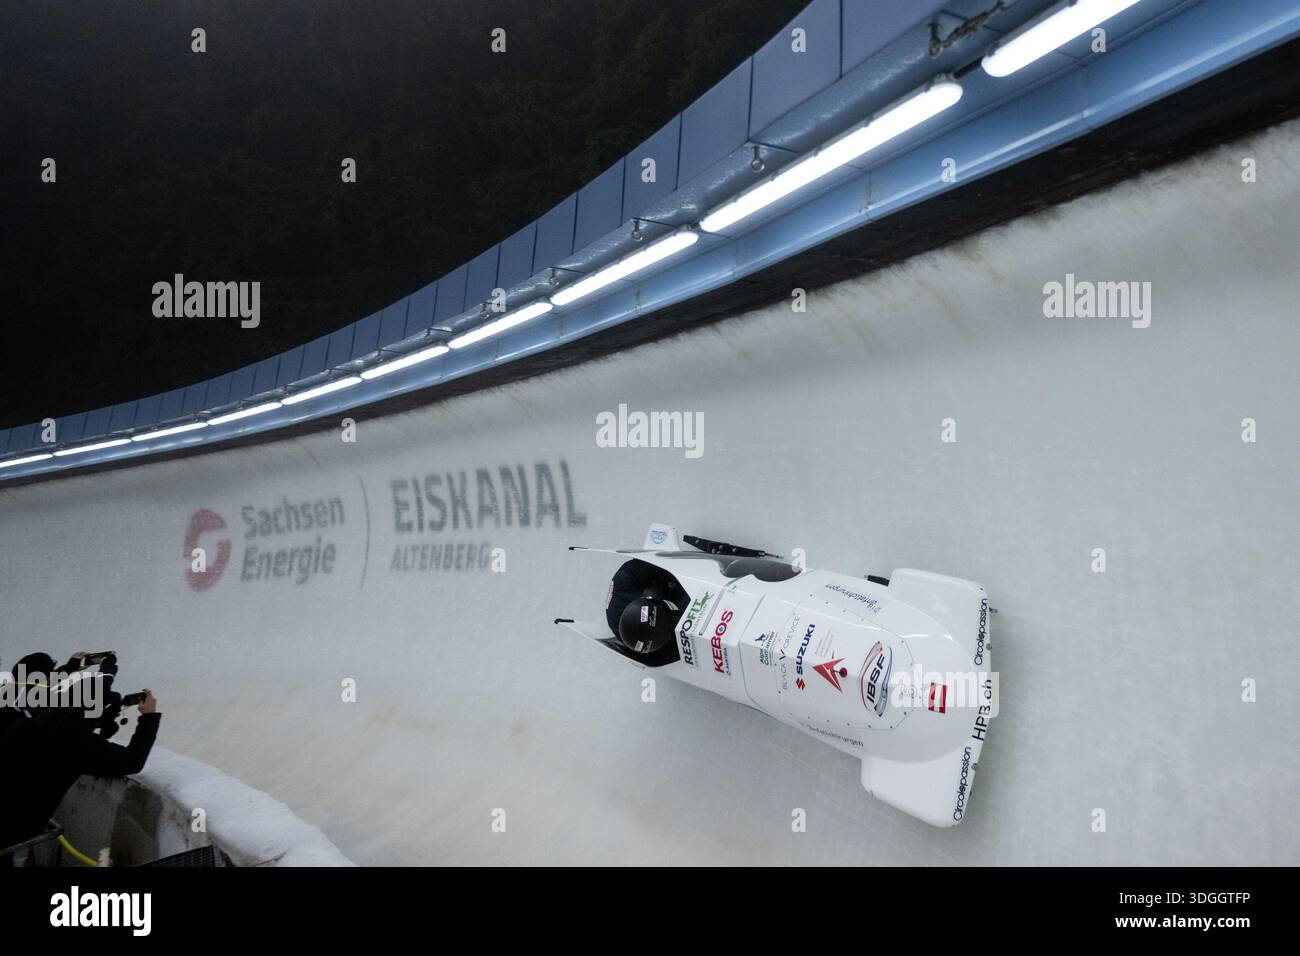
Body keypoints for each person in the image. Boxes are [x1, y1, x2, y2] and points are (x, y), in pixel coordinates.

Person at [0, 652, 161, 852]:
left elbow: (38, 690)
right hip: (15, 833)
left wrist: (71, 668)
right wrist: (149, 718)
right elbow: (132, 761)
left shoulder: (17, 716)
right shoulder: (78, 742)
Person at [605, 558, 687, 656]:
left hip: (649, 580)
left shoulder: (631, 575)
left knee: (664, 587)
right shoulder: (636, 643)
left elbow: (665, 563)